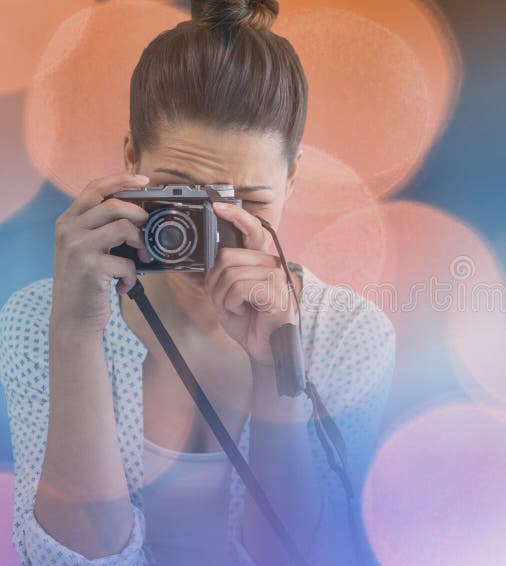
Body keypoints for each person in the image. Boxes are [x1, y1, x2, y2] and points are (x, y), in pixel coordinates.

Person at [0, 1, 396, 564]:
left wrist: (275, 368)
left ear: (293, 179)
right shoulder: (36, 319)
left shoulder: (347, 333)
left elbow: (303, 557)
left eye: (248, 204)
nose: (207, 238)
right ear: (131, 159)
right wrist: (74, 335)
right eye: (179, 196)